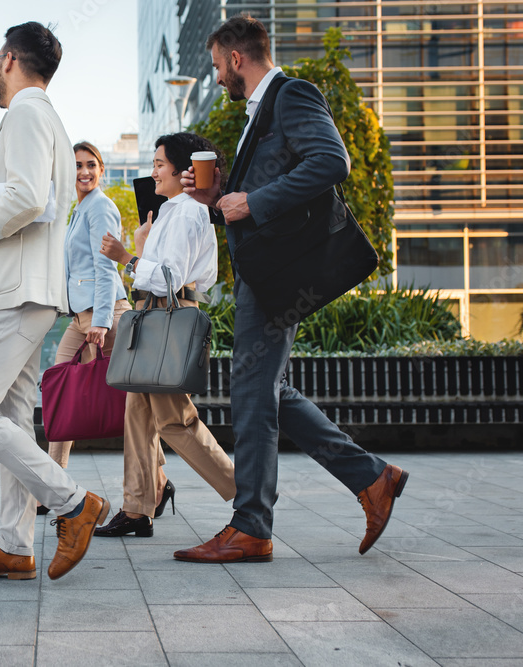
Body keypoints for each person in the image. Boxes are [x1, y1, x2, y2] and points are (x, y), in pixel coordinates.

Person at [175, 13, 408, 563]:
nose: (216, 79)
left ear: (237, 58)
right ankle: (372, 478)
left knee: (255, 389)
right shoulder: (261, 111)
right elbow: (266, 187)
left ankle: (252, 526)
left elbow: (331, 161)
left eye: (215, 67)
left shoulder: (292, 94)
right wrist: (222, 199)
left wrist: (252, 201)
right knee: (265, 388)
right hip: (267, 270)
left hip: (282, 272)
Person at [0, 22, 109, 582]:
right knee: (12, 417)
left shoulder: (28, 113)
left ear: (9, 59)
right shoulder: (46, 118)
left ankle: (73, 503)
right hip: (27, 291)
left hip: (15, 294)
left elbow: (25, 197)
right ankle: (14, 544)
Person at [96, 132, 236, 538]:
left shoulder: (188, 211)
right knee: (137, 417)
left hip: (167, 316)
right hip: (156, 316)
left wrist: (127, 256)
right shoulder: (174, 210)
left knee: (175, 419)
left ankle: (246, 493)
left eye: (159, 164)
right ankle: (137, 509)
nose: (154, 171)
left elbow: (170, 280)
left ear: (183, 170)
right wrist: (141, 247)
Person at [40, 142, 175, 515]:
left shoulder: (100, 207)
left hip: (107, 315)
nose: (84, 172)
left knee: (134, 403)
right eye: (77, 166)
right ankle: (54, 486)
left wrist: (100, 322)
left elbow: (105, 267)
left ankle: (157, 481)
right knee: (60, 390)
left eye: (90, 165)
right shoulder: (77, 210)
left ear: (101, 170)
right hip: (82, 316)